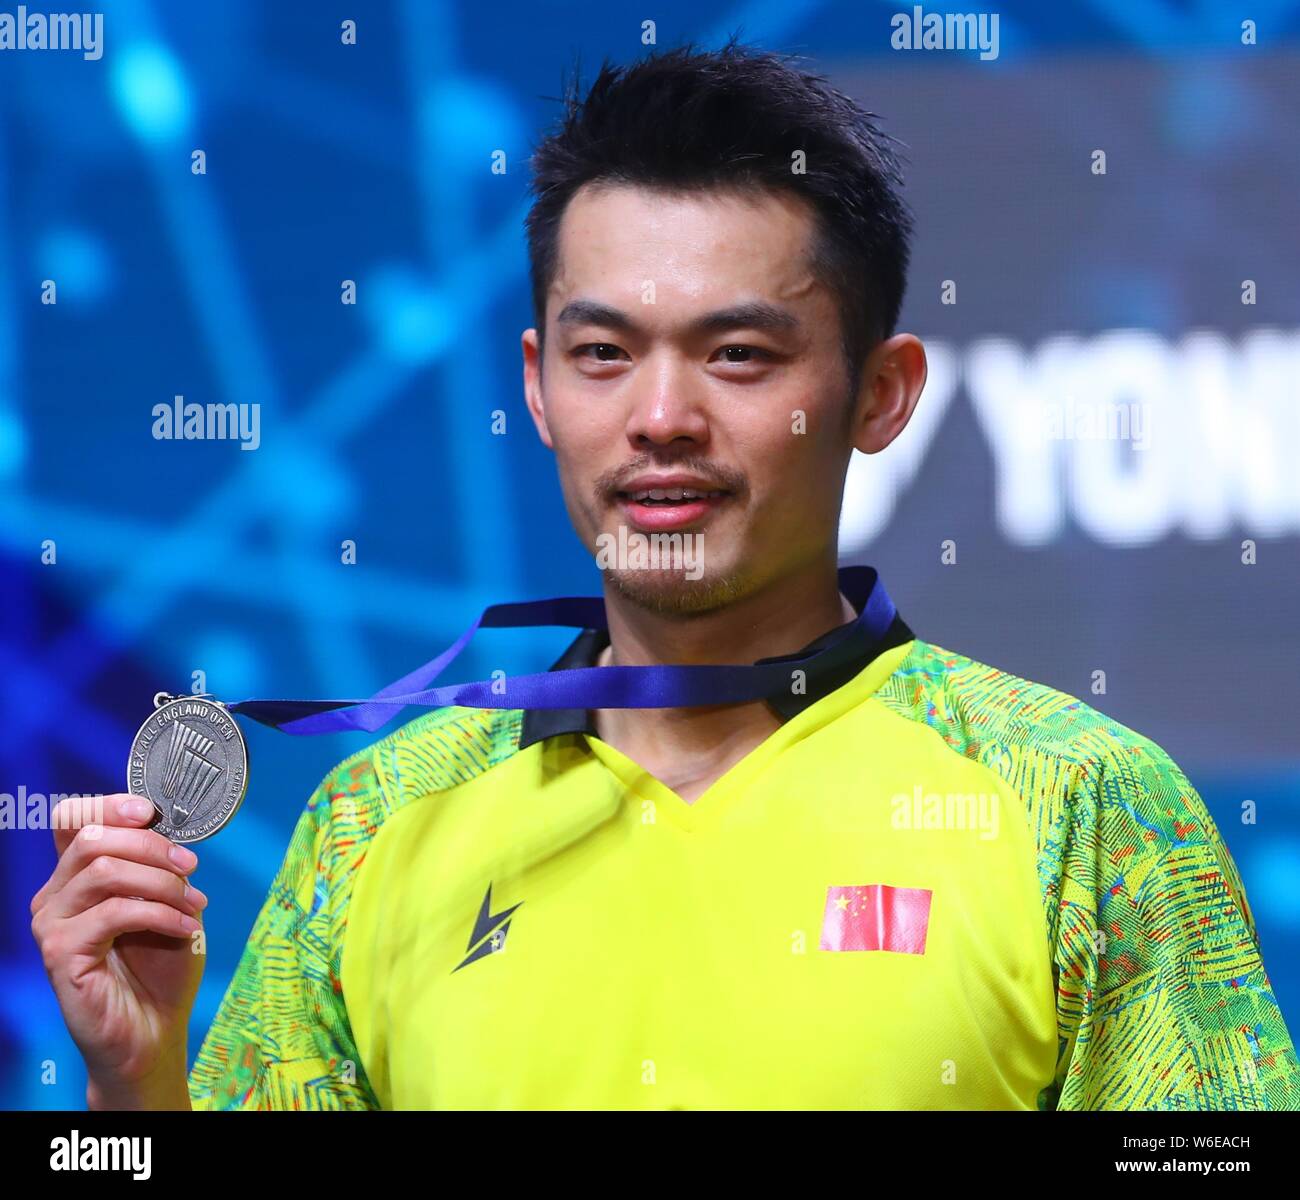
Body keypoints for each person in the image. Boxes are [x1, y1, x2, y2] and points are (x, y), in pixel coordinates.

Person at [31, 39, 1298, 1111]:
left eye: (737, 355)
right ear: (536, 385)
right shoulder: (370, 826)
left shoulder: (1083, 809)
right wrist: (134, 1091)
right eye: (603, 354)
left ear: (880, 393)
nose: (660, 419)